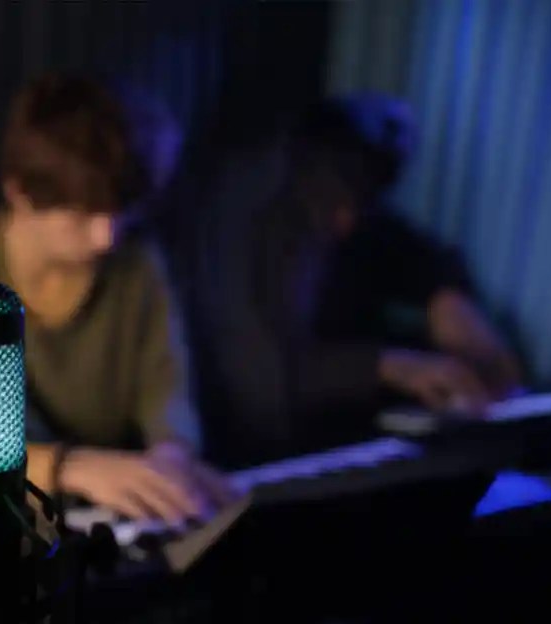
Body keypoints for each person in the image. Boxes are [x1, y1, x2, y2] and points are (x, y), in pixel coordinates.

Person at [0, 75, 231, 524]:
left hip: (97, 523)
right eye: (82, 213)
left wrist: (171, 459)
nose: (106, 236)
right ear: (19, 192)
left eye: (120, 211)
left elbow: (167, 391)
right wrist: (72, 467)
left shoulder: (137, 265)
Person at [174, 93, 522, 464]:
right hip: (253, 453)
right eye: (336, 205)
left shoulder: (340, 197)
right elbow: (266, 385)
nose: (348, 223)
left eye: (361, 203)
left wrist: (448, 297)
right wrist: (390, 365)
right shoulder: (244, 225)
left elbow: (406, 248)